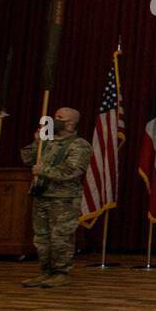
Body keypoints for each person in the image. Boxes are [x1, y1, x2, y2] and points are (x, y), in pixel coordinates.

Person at [19, 107, 92, 287]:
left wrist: (44, 170)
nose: (54, 120)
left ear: (70, 124)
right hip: (41, 194)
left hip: (63, 199)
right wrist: (37, 143)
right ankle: (45, 271)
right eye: (54, 116)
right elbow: (27, 159)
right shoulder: (47, 141)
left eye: (59, 117)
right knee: (42, 238)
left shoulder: (79, 144)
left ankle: (61, 272)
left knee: (61, 237)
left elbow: (73, 170)